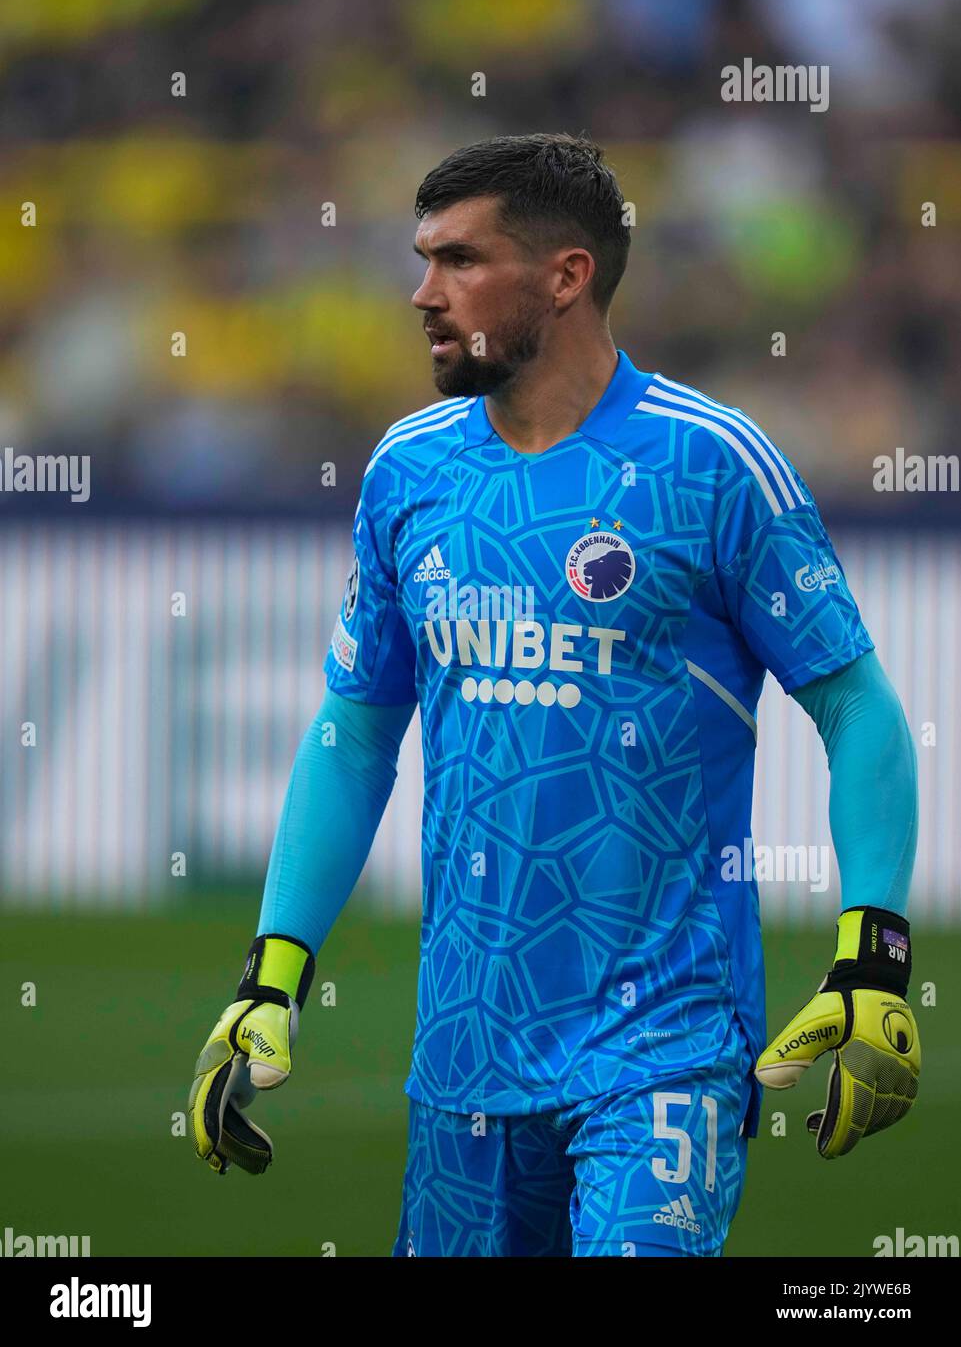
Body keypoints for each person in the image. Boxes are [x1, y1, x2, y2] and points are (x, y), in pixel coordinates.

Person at [188, 133, 920, 1257]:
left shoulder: (712, 463)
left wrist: (872, 952)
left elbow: (857, 705)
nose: (420, 294)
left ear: (566, 276)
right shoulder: (408, 470)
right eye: (423, 259)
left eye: (459, 261)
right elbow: (352, 735)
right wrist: (269, 974)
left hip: (662, 1051)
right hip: (465, 1058)